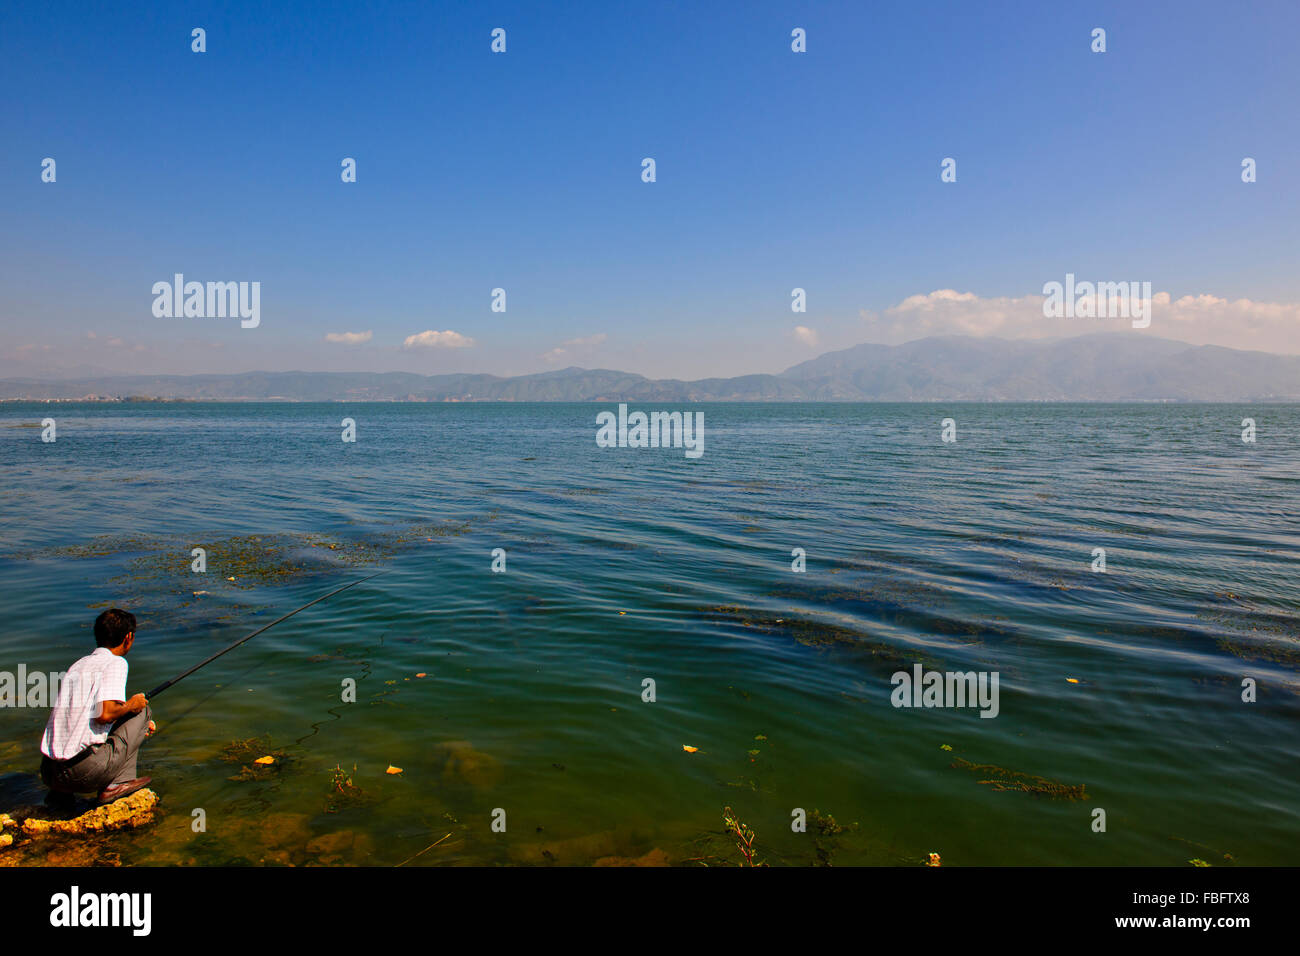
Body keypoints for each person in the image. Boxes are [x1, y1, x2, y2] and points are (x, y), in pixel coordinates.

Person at [39, 608, 156, 807]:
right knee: (143, 709)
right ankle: (116, 784)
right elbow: (105, 714)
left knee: (131, 712)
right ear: (129, 638)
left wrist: (133, 721)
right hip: (80, 773)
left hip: (50, 773)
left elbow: (88, 715)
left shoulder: (79, 664)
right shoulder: (116, 663)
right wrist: (133, 707)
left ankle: (60, 795)